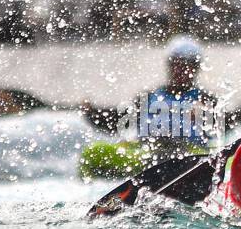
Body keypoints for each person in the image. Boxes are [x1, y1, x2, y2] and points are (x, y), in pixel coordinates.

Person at [83, 36, 221, 155]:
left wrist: (207, 115)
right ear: (170, 65)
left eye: (188, 65)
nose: (182, 70)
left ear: (196, 69)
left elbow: (226, 124)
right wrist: (92, 113)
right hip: (152, 154)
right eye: (177, 64)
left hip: (190, 154)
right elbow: (119, 121)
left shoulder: (206, 101)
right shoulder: (148, 99)